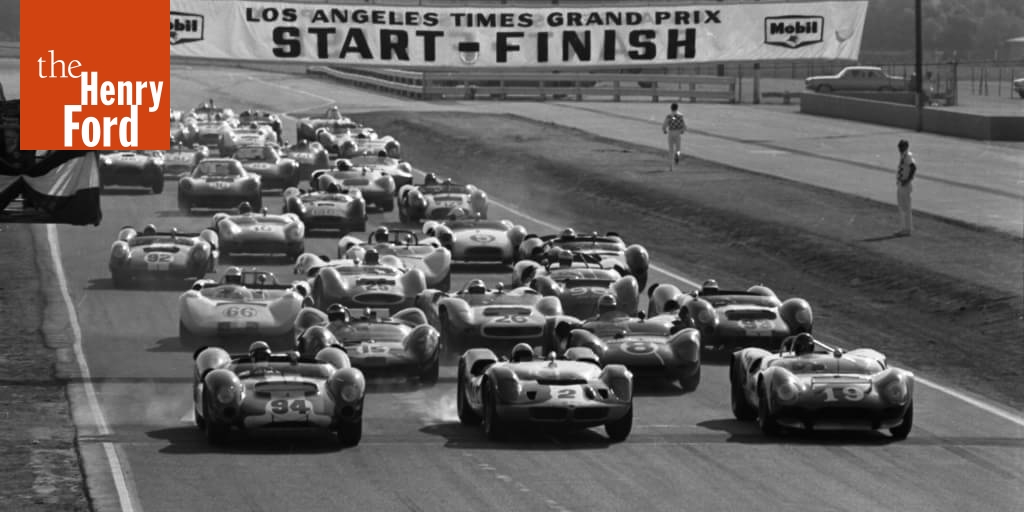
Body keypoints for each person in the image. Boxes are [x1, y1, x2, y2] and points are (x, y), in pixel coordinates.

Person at [896, 139, 917, 236]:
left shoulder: (908, 155)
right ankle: (903, 228)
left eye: (901, 146)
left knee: (906, 207)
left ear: (906, 147)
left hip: (905, 185)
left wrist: (908, 180)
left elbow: (913, 167)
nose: (900, 148)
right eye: (899, 146)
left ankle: (907, 229)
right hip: (901, 184)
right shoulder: (903, 155)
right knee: (902, 206)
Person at [661, 103, 687, 171]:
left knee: (670, 150)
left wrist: (664, 130)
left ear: (671, 108)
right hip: (678, 133)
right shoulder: (680, 116)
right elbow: (684, 126)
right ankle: (677, 155)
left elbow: (664, 125)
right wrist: (682, 131)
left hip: (671, 132)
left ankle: (670, 167)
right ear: (677, 108)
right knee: (678, 148)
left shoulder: (669, 116)